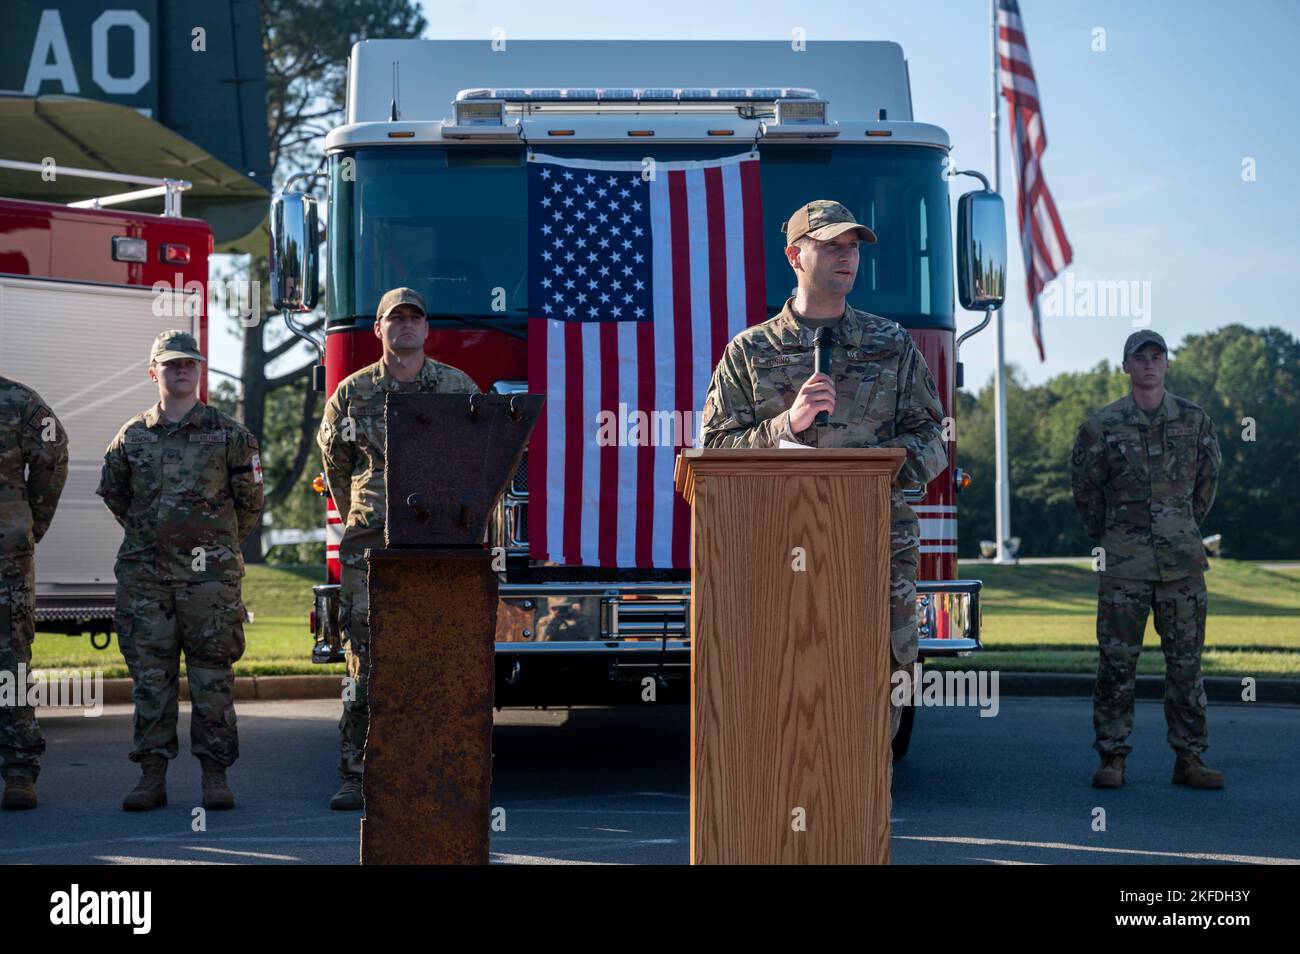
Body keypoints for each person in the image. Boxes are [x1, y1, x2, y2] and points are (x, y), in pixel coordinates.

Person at [699, 199, 948, 748]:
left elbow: (934, 440)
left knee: (871, 705)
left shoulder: (891, 343)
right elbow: (714, 452)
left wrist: (873, 471)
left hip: (874, 551)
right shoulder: (750, 351)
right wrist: (786, 425)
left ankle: (860, 826)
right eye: (832, 245)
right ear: (795, 255)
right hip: (774, 555)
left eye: (853, 247)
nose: (847, 256)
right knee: (777, 705)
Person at [317, 287, 479, 810]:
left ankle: (431, 771)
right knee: (365, 656)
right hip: (372, 546)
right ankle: (356, 773)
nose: (406, 325)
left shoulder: (456, 387)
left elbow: (483, 454)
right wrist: (365, 512)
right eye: (395, 318)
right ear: (379, 330)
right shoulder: (352, 392)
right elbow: (334, 465)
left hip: (439, 543)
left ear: (427, 329)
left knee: (436, 653)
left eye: (415, 318)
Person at [98, 331, 264, 811]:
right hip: (146, 578)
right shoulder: (131, 436)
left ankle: (215, 776)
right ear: (155, 372)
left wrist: (215, 546)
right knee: (152, 679)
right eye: (171, 364)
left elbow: (250, 502)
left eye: (190, 362)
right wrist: (155, 536)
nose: (182, 370)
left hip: (209, 581)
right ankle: (152, 777)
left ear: (201, 370)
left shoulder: (230, 434)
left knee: (212, 678)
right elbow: (117, 496)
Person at [1071, 330, 1223, 789]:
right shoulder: (1102, 425)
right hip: (1124, 564)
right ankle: (1112, 757)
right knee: (1117, 664)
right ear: (1126, 367)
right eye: (1140, 359)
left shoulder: (1195, 421)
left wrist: (1179, 524)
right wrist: (1115, 534)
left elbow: (1207, 485)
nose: (1149, 366)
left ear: (1168, 365)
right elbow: (1086, 491)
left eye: (1157, 357)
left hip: (1182, 565)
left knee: (1186, 665)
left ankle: (1190, 759)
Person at [0, 375, 68, 809]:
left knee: (10, 663)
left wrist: (29, 522)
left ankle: (20, 772)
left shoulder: (18, 402)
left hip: (5, 559)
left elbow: (53, 455)